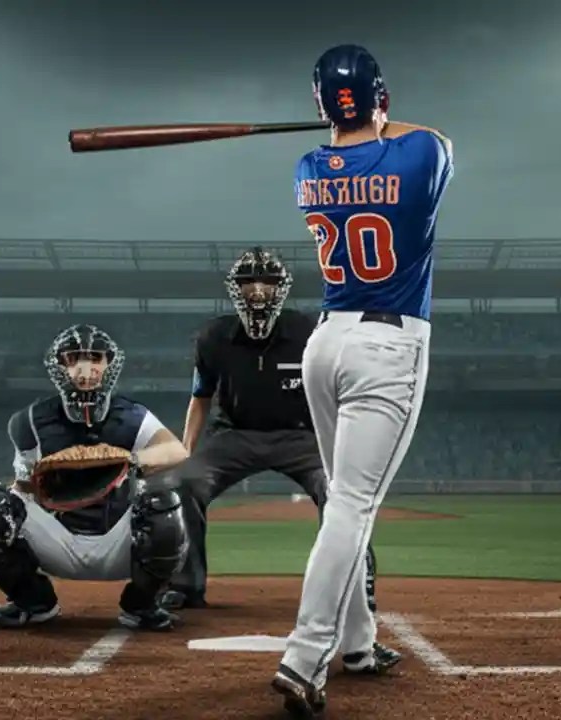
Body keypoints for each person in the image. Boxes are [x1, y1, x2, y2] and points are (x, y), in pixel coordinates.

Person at [271, 44, 453, 718]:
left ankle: (358, 643)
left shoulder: (307, 167)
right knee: (353, 506)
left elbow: (352, 142)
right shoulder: (421, 154)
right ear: (381, 96)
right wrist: (372, 115)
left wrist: (341, 121)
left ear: (321, 105)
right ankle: (303, 656)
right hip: (387, 344)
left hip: (324, 344)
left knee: (340, 501)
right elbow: (428, 135)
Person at [160, 248, 395, 665]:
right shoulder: (212, 337)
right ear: (234, 289)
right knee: (182, 483)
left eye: (266, 281)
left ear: (281, 288)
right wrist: (184, 454)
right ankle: (185, 584)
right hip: (235, 435)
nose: (257, 290)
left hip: (302, 436)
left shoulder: (310, 331)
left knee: (339, 490)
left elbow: (338, 393)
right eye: (248, 281)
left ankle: (357, 587)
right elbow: (201, 399)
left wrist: (341, 447)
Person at [0, 323, 191, 632]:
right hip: (57, 537)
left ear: (110, 363)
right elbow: (23, 490)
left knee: (166, 507)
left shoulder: (132, 415)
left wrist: (128, 460)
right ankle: (34, 601)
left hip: (119, 541)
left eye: (95, 358)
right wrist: (57, 477)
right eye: (73, 358)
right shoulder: (29, 421)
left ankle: (142, 605)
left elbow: (176, 450)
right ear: (59, 365)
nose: (85, 368)